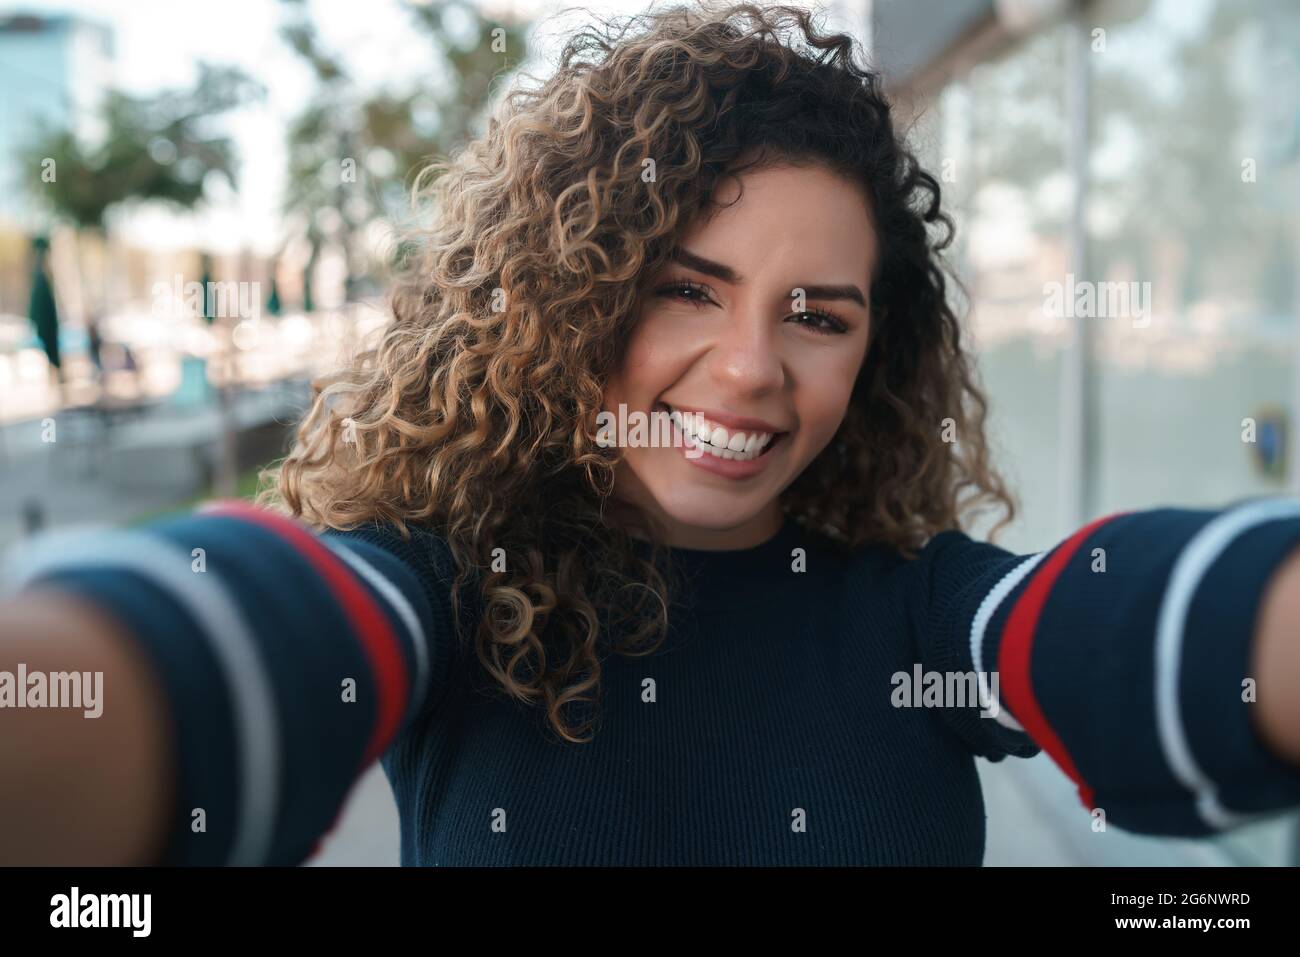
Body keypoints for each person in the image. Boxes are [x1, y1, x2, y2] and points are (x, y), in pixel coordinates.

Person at [3, 2, 1300, 867]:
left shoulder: (923, 618)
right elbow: (222, 653)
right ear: (573, 295)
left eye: (819, 315)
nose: (747, 369)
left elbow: (1126, 632)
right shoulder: (445, 591)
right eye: (686, 287)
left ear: (877, 356)